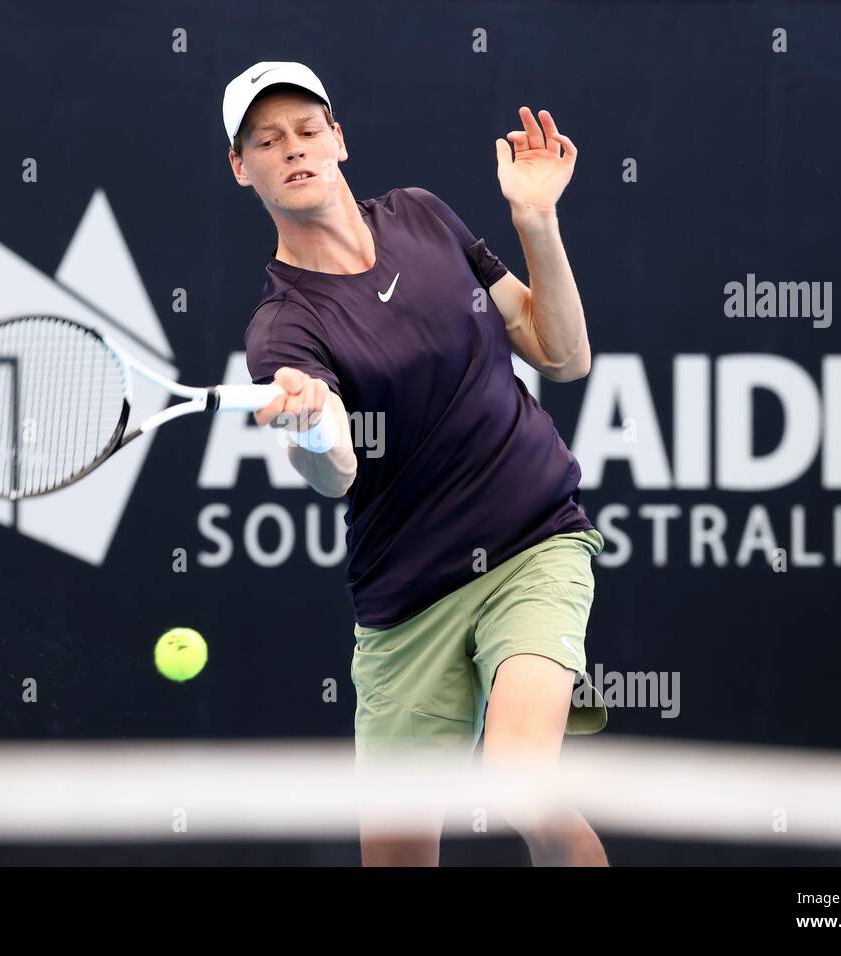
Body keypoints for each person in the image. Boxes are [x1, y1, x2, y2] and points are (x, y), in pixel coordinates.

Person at [225, 61, 608, 866]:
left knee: (518, 779)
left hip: (533, 543)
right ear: (242, 167)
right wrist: (310, 424)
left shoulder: (422, 217)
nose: (290, 149)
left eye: (304, 130)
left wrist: (536, 220)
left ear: (338, 138)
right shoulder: (281, 327)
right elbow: (337, 470)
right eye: (266, 140)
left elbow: (560, 355)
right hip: (404, 604)